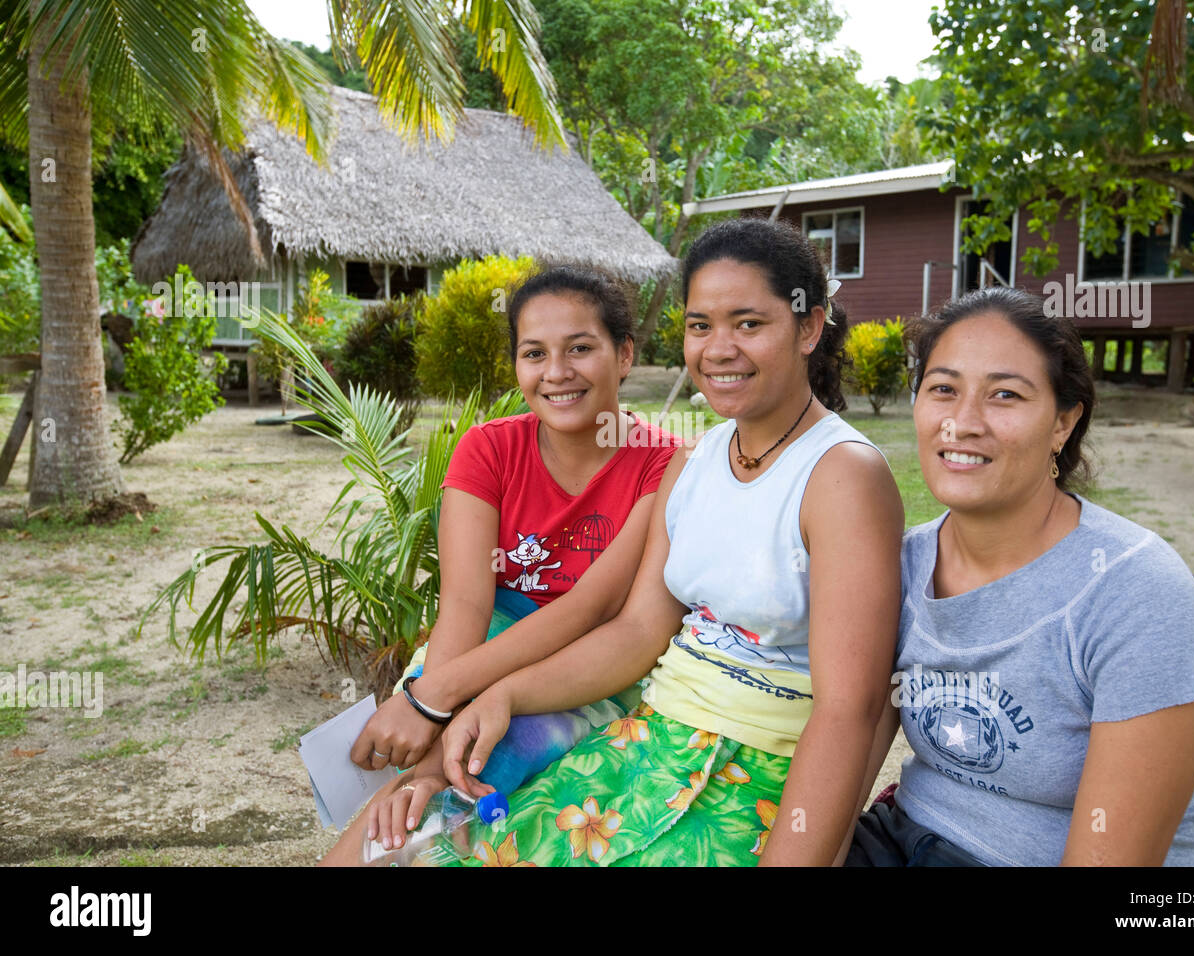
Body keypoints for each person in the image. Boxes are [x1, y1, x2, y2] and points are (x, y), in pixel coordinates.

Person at [429, 216, 903, 867]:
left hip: (758, 773)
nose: (718, 348)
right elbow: (636, 633)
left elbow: (855, 710)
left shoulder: (843, 475)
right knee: (454, 854)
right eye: (700, 325)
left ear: (809, 328)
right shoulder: (695, 461)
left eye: (749, 323)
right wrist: (506, 694)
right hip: (651, 742)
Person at [845, 286, 1194, 867]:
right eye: (943, 389)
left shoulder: (1135, 591)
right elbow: (850, 749)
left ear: (1063, 422)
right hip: (903, 834)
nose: (962, 422)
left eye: (1005, 394)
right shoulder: (902, 564)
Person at [319, 266, 679, 866]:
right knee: (398, 799)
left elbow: (590, 607)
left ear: (625, 354)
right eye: (534, 353)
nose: (556, 372)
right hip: (481, 643)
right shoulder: (489, 449)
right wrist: (428, 703)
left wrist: (428, 706)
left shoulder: (662, 465)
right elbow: (465, 603)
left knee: (458, 793)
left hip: (587, 664)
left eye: (580, 348)